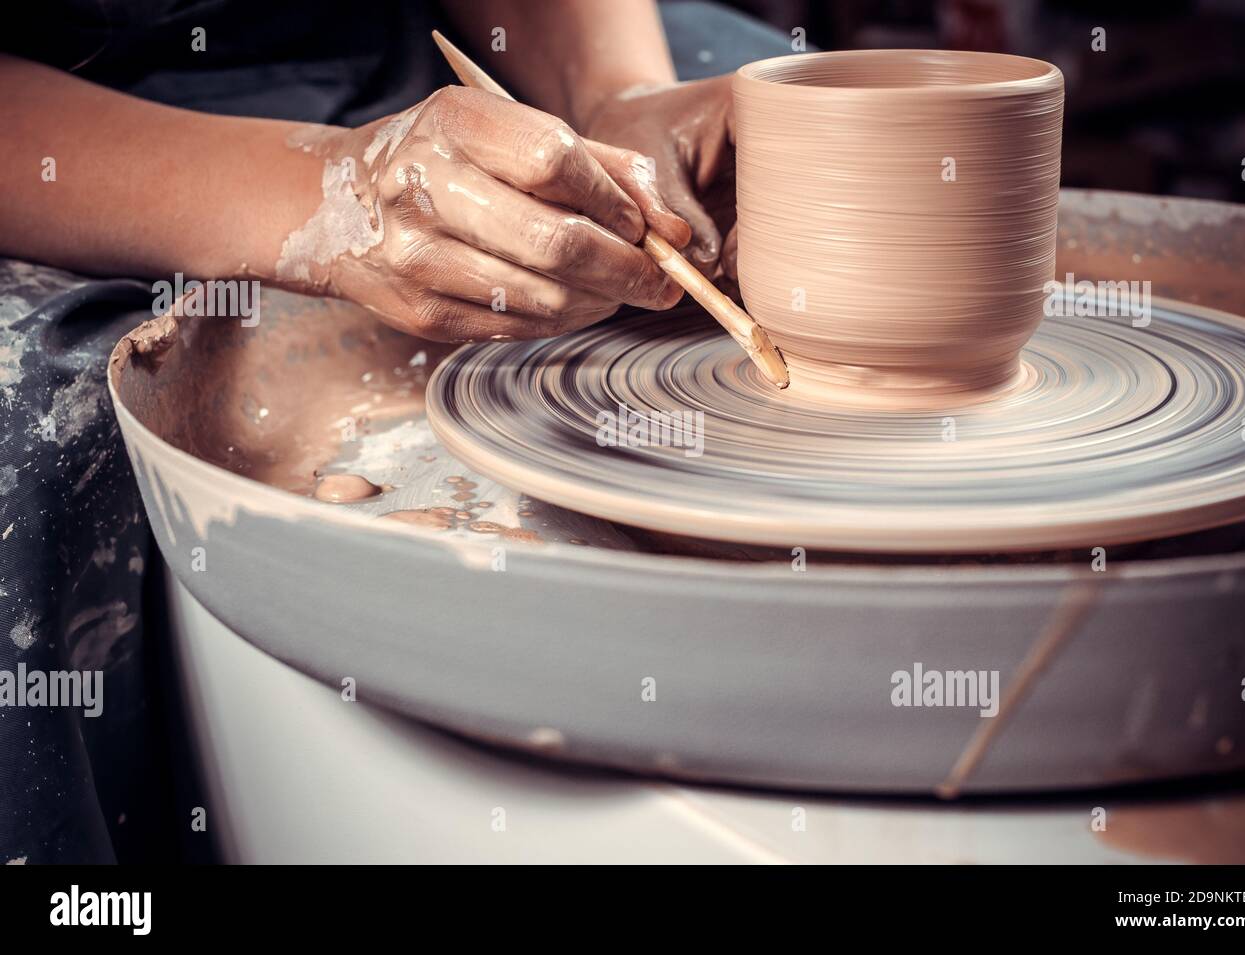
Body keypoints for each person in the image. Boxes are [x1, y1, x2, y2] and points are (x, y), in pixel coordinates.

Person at [0, 0, 794, 862]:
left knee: (801, 137)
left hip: (413, 47)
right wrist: (328, 196)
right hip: (71, 133)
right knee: (37, 457)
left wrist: (615, 94)